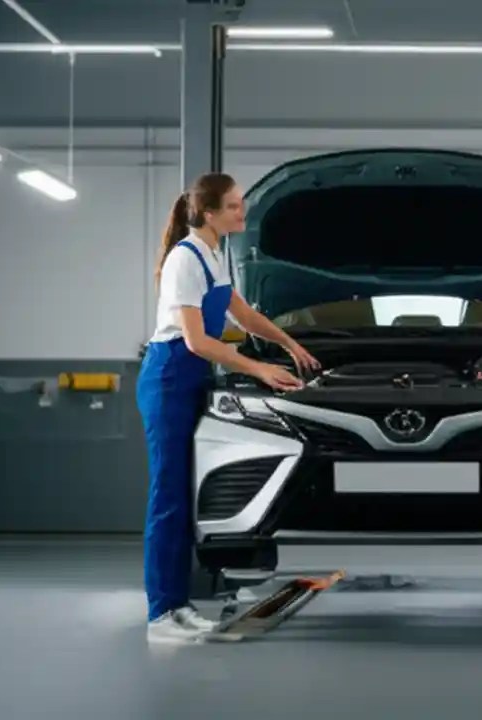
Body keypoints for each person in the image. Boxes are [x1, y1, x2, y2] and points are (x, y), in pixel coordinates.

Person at [138, 172, 320, 644]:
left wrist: (289, 343)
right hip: (170, 377)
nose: (244, 213)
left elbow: (242, 313)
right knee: (168, 499)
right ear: (210, 213)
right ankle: (161, 613)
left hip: (190, 377)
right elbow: (197, 341)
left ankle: (179, 605)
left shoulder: (214, 254)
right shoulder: (185, 259)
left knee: (185, 499)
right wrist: (259, 371)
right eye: (236, 206)